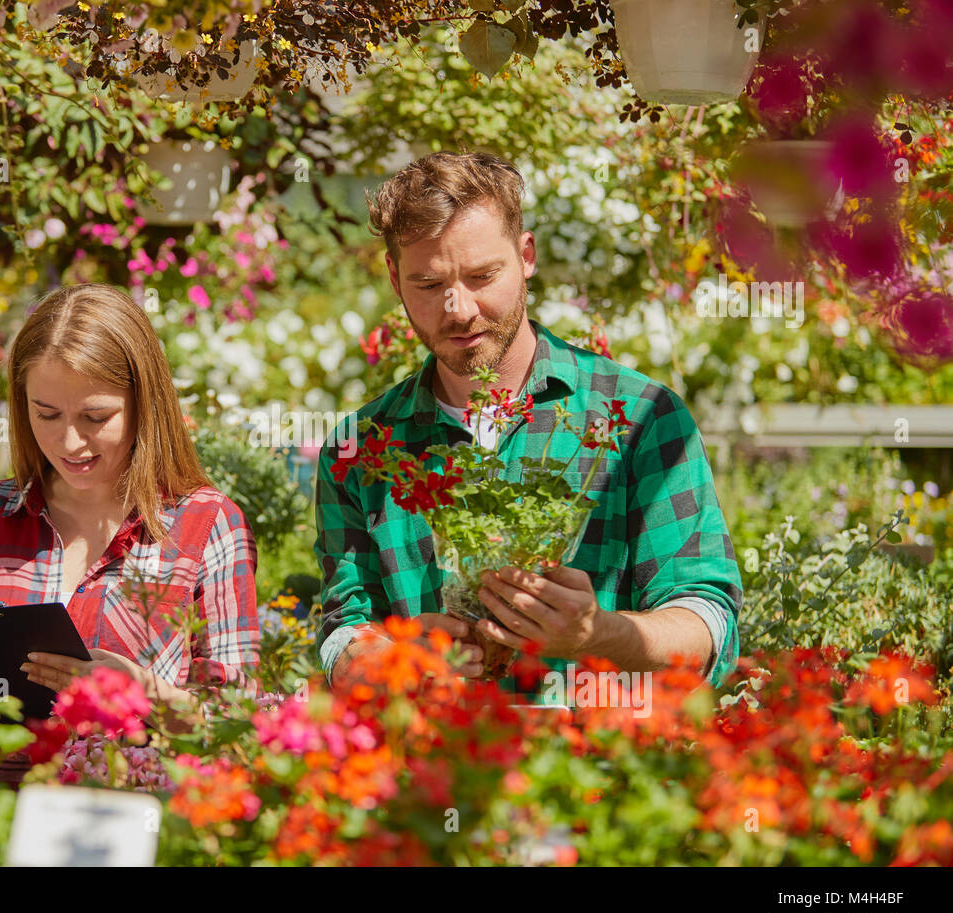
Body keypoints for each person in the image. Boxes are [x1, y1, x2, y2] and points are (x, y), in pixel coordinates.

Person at [314, 151, 743, 694]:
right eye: (428, 284)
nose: (459, 308)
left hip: (596, 764)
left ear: (526, 255)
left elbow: (708, 624)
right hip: (432, 766)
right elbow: (344, 627)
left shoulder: (641, 418)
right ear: (395, 280)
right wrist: (386, 660)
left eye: (482, 275)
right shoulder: (362, 448)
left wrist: (598, 632)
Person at [0, 283, 260, 745]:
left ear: (145, 405)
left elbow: (238, 728)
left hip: (137, 809)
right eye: (46, 415)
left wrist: (146, 696)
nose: (70, 443)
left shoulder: (207, 528)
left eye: (96, 417)